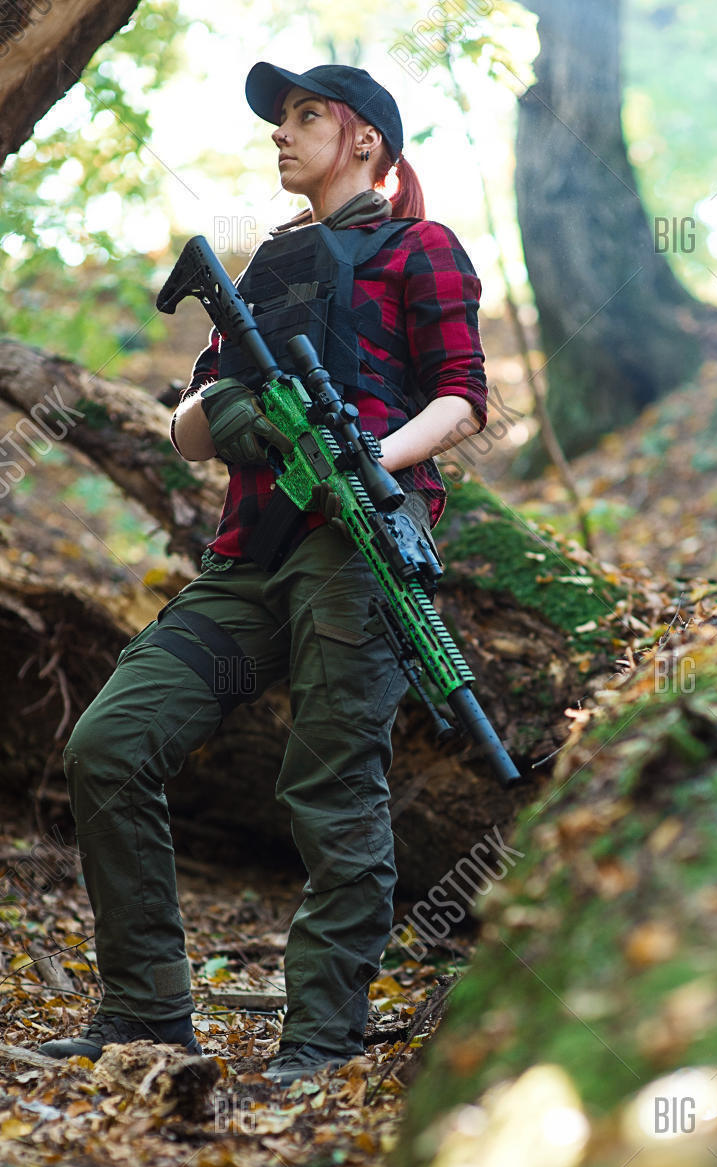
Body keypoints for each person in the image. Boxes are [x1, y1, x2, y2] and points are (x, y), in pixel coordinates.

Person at [40, 61, 488, 1082]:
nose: (280, 136)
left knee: (331, 793)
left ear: (365, 139)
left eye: (304, 118)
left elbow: (463, 396)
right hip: (249, 564)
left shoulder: (420, 248)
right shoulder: (267, 266)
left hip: (356, 555)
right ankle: (147, 1015)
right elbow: (190, 429)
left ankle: (318, 1043)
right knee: (110, 744)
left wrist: (368, 458)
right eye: (280, 120)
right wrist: (245, 405)